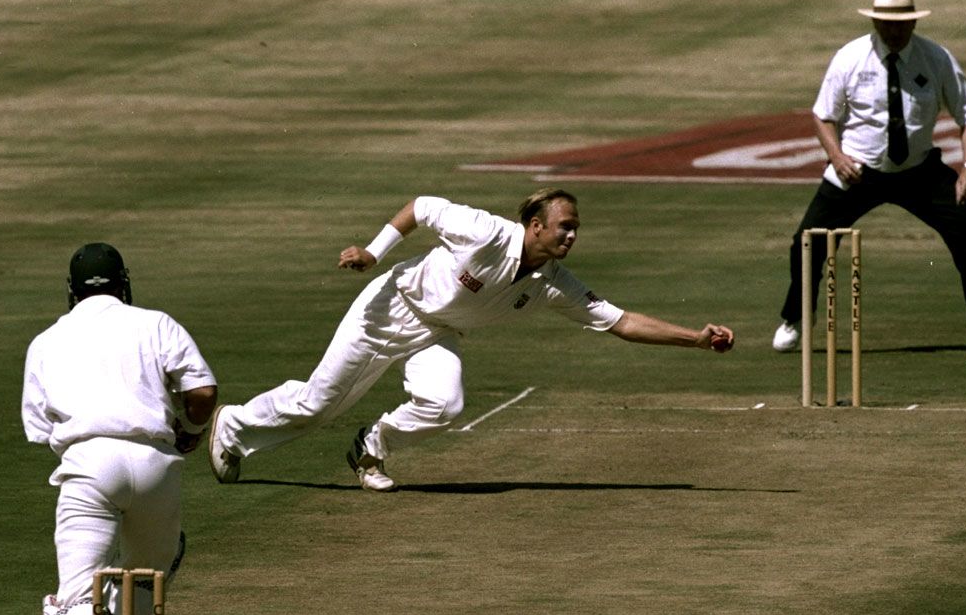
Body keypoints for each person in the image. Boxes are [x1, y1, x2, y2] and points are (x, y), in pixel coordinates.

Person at [207, 188, 735, 492]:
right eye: (563, 227)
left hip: (438, 331)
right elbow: (420, 206)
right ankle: (233, 424)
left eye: (576, 228)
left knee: (446, 403)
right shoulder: (486, 232)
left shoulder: (553, 283)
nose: (571, 236)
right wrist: (374, 251)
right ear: (533, 225)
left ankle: (371, 448)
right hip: (391, 307)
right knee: (319, 403)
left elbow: (619, 321)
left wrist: (695, 338)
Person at [22, 242, 217, 615]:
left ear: (71, 291)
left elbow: (42, 430)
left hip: (89, 465)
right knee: (146, 583)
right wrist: (191, 430)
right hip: (156, 464)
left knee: (73, 596)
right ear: (123, 283)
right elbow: (202, 393)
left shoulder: (45, 341)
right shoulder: (155, 323)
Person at [771, 0, 966, 358]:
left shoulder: (936, 58)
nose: (895, 31)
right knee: (807, 242)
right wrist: (836, 157)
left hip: (919, 171)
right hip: (857, 170)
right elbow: (823, 116)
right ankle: (796, 319)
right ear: (875, 21)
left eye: (902, 23)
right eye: (886, 23)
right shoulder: (850, 57)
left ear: (914, 21)